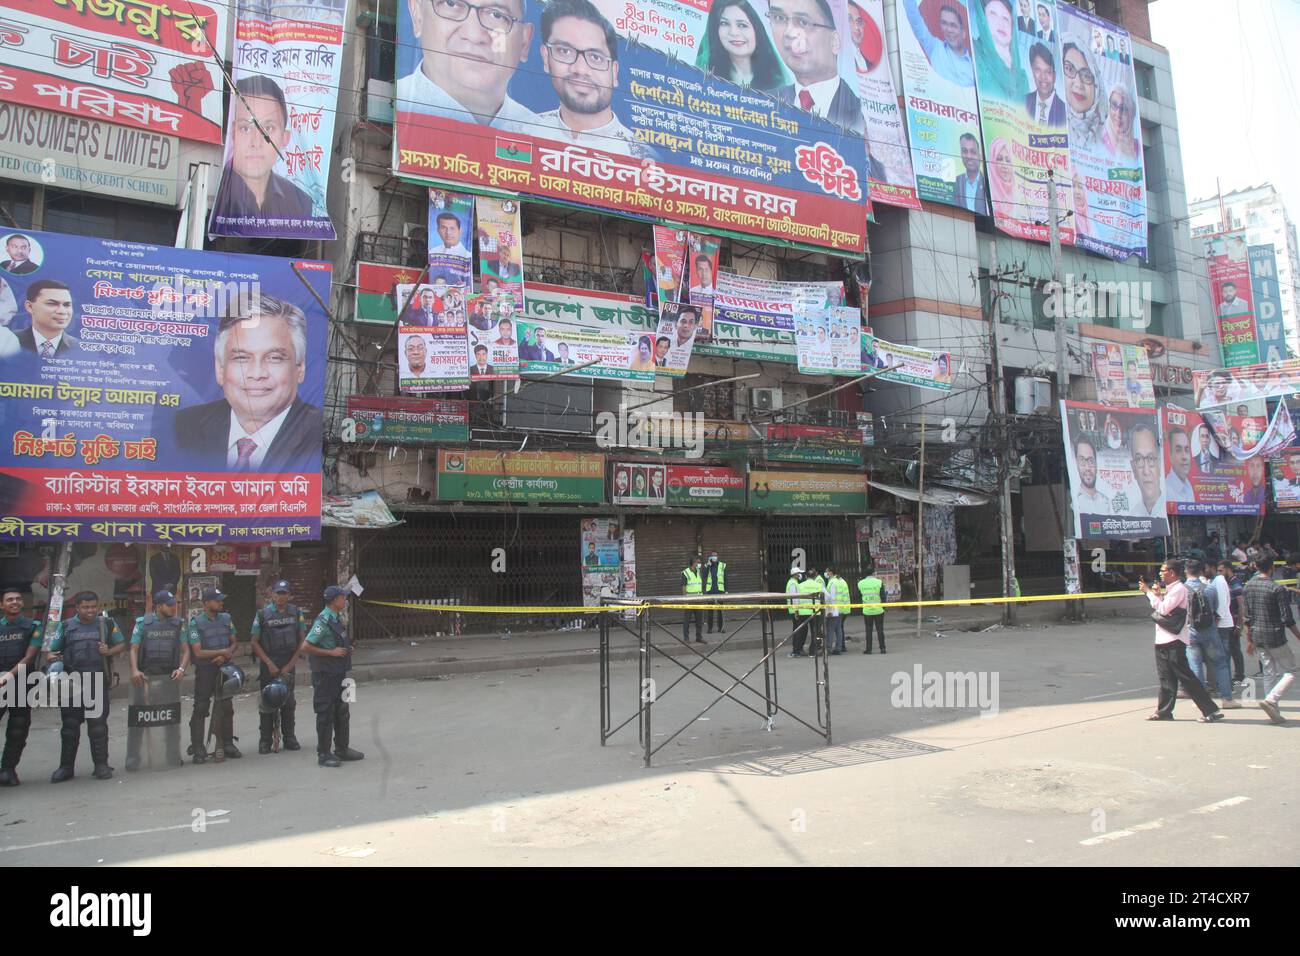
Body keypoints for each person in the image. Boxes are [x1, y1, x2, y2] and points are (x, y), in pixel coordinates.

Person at [173, 294, 323, 473]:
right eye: (241, 358)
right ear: (220, 369)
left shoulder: (319, 435)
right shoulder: (182, 427)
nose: (257, 374)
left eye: (274, 358)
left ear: (300, 368)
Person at [397, 0, 539, 132]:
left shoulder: (545, 136)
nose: (474, 35)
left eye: (496, 15)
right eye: (451, 4)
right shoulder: (392, 104)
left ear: (524, 42)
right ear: (417, 14)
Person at [535, 0, 647, 158]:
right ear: (546, 58)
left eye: (595, 57)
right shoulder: (518, 131)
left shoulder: (644, 157)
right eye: (565, 51)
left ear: (614, 73)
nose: (580, 69)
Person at [47, 591, 128, 781]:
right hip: (72, 683)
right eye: (86, 607)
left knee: (98, 726)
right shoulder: (66, 626)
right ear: (77, 608)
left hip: (97, 681)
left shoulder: (106, 624)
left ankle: (101, 765)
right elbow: (51, 652)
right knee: (70, 726)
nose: (91, 610)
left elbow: (121, 645)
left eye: (94, 606)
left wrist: (108, 651)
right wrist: (53, 657)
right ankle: (66, 768)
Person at [209, 76, 314, 223]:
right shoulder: (216, 188)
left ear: (285, 138)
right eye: (245, 128)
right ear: (232, 132)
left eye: (268, 128)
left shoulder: (301, 202)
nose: (256, 142)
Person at [1138, 561, 1223, 722]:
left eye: (1163, 570)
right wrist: (1156, 595)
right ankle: (1164, 711)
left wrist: (1148, 592)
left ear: (1172, 572)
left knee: (1186, 677)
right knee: (1166, 678)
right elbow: (1164, 607)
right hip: (1163, 639)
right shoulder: (1172, 589)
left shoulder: (1179, 589)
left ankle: (1210, 710)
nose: (1161, 573)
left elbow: (1163, 609)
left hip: (1174, 640)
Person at [769, 0, 865, 134]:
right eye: (779, 18)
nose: (789, 33)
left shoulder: (863, 115)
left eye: (803, 22)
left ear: (834, 42)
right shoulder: (763, 103)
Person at [125, 590, 189, 772]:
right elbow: (133, 649)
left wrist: (182, 669)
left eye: (174, 604)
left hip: (170, 677)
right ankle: (133, 758)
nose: (173, 607)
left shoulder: (178, 625)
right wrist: (134, 670)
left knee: (171, 718)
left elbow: (186, 650)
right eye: (170, 604)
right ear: (159, 606)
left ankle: (173, 755)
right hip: (145, 677)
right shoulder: (142, 624)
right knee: (139, 719)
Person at [304, 586, 363, 766]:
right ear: (334, 600)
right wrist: (331, 653)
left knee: (342, 711)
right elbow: (305, 646)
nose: (345, 600)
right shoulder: (323, 621)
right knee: (325, 713)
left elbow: (338, 641)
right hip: (326, 674)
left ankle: (342, 748)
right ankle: (324, 754)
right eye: (342, 597)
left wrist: (346, 649)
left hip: (340, 672)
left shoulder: (337, 618)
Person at [1241, 555, 1300, 725]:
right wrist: (1298, 636)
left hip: (1257, 636)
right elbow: (1287, 619)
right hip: (1274, 636)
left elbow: (1247, 617)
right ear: (1272, 567)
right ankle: (1272, 700)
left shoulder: (1248, 586)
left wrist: (1249, 640)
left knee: (1269, 672)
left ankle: (1274, 709)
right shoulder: (1276, 589)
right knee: (1292, 671)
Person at [250, 580, 307, 754]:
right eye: (278, 593)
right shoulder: (262, 614)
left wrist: (290, 664)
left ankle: (289, 737)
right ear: (272, 595)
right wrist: (269, 664)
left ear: (289, 595)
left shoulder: (296, 613)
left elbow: (302, 641)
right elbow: (254, 642)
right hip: (269, 662)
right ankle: (265, 740)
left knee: (288, 702)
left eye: (284, 593)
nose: (281, 596)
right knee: (267, 701)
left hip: (288, 661)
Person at [187, 588, 239, 763]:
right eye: (217, 600)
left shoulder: (226, 619)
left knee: (226, 706)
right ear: (207, 603)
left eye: (221, 600)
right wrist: (219, 653)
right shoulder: (195, 623)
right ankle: (198, 748)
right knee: (201, 708)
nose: (221, 603)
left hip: (224, 668)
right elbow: (198, 652)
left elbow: (234, 642)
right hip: (206, 670)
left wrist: (226, 654)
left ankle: (228, 744)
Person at [0, 587, 42, 786]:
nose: (14, 602)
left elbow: (29, 656)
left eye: (18, 599)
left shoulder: (33, 626)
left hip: (21, 684)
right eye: (9, 600)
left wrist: (8, 676)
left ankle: (8, 770)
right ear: (2, 605)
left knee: (18, 729)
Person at [1184, 559, 1237, 710]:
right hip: (1210, 632)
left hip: (1191, 632)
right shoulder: (1210, 589)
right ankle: (1227, 698)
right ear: (1202, 570)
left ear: (1186, 571)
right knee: (1220, 664)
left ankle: (1200, 700)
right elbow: (1216, 610)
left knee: (1195, 665)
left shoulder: (1182, 589)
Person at [699, 0, 786, 90]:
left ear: (757, 30)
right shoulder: (706, 78)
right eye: (724, 23)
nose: (733, 32)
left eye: (742, 25)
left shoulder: (778, 86)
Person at [900, 0, 974, 87]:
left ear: (963, 33)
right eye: (944, 23)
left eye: (953, 25)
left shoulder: (974, 67)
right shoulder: (934, 46)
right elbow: (915, 19)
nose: (949, 30)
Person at [971, 0, 1027, 102]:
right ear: (983, 19)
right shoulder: (974, 53)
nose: (1001, 23)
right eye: (993, 14)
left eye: (1006, 19)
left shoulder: (1022, 78)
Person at [18, 278, 78, 357]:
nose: (61, 311)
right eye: (52, 304)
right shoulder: (8, 340)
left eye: (67, 305)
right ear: (30, 307)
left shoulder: (81, 348)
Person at [1062, 42, 1104, 150]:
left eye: (1086, 75)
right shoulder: (1050, 120)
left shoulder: (1107, 136)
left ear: (1096, 86)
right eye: (1069, 69)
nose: (1078, 83)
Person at [1217, 560, 1246, 685]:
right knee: (1228, 649)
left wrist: (1240, 624)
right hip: (1226, 620)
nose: (1219, 573)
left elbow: (1241, 605)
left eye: (1221, 570)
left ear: (1228, 569)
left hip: (1234, 620)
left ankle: (1239, 675)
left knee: (1234, 648)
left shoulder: (1235, 583)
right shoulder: (1224, 582)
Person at [1024, 44, 1065, 127]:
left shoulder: (1064, 111)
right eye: (1038, 70)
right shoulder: (1022, 101)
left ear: (1054, 76)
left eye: (1048, 72)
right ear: (1032, 71)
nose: (1043, 77)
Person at [1128, 423, 1163, 517]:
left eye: (1151, 458)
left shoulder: (1170, 510)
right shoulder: (1132, 517)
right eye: (1139, 459)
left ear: (1159, 465)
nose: (1146, 471)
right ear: (1133, 468)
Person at [1101, 85, 1140, 162]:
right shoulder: (1099, 141)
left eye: (1124, 109)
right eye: (1114, 105)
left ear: (1131, 115)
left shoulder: (1138, 148)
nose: (1118, 114)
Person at [796, 564, 825, 654]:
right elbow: (824, 597)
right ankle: (813, 650)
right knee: (815, 631)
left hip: (803, 611)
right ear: (814, 576)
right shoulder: (818, 585)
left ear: (806, 576)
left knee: (801, 631)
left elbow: (796, 599)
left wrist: (796, 611)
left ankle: (798, 649)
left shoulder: (800, 585)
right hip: (816, 611)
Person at [858, 564, 886, 653]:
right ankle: (883, 648)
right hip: (878, 609)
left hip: (867, 610)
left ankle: (869, 649)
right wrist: (883, 607)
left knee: (868, 630)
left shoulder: (860, 583)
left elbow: (860, 597)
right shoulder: (879, 582)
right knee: (880, 630)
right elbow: (883, 597)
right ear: (873, 573)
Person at [822, 564, 849, 654]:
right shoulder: (837, 581)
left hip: (833, 609)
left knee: (830, 629)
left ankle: (829, 649)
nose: (826, 573)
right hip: (838, 608)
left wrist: (824, 591)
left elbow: (832, 598)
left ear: (831, 572)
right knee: (838, 629)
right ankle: (838, 648)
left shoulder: (832, 582)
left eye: (827, 571)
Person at [1164, 427, 1194, 502]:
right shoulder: (1167, 492)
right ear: (1170, 456)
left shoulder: (1188, 485)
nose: (1184, 457)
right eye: (1178, 450)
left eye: (1187, 450)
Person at [681, 555, 705, 644]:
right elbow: (683, 587)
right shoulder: (685, 572)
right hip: (690, 599)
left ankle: (699, 637)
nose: (699, 564)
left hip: (699, 598)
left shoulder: (699, 572)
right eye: (697, 562)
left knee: (699, 619)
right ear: (693, 563)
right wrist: (684, 600)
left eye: (699, 562)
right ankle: (686, 638)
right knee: (687, 619)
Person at [704, 549, 727, 635]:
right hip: (710, 591)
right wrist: (708, 565)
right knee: (710, 611)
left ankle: (721, 628)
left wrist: (726, 590)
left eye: (715, 555)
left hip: (720, 591)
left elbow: (725, 578)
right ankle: (710, 628)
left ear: (718, 557)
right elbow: (704, 575)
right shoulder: (708, 565)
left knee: (720, 611)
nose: (714, 557)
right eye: (712, 556)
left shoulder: (722, 565)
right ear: (710, 557)